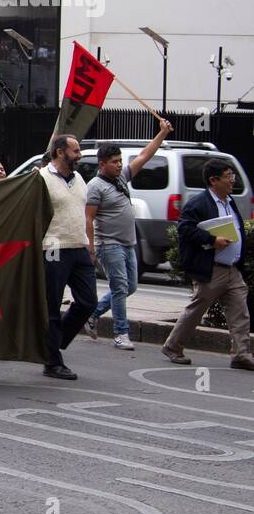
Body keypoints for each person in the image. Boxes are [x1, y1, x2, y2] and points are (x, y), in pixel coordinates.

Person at [85, 121, 172, 350]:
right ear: (102, 164)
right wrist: (91, 248)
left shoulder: (122, 176)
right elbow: (88, 219)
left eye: (120, 160)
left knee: (129, 287)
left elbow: (145, 155)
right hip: (109, 244)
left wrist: (162, 133)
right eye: (114, 162)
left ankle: (92, 314)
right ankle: (121, 333)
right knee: (120, 287)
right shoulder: (95, 186)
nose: (119, 164)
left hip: (128, 243)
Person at [162, 158, 254, 370]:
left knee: (240, 312)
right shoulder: (198, 203)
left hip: (232, 269)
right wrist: (213, 240)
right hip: (211, 269)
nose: (232, 180)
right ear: (214, 180)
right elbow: (185, 229)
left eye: (232, 176)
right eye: (228, 177)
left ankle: (241, 354)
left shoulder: (228, 201)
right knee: (196, 310)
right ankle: (173, 346)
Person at [39, 134, 95, 381]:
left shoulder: (80, 178)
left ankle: (54, 341)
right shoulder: (41, 178)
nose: (79, 155)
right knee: (52, 306)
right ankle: (52, 362)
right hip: (53, 247)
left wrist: (90, 246)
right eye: (75, 151)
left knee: (88, 302)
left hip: (79, 247)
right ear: (60, 152)